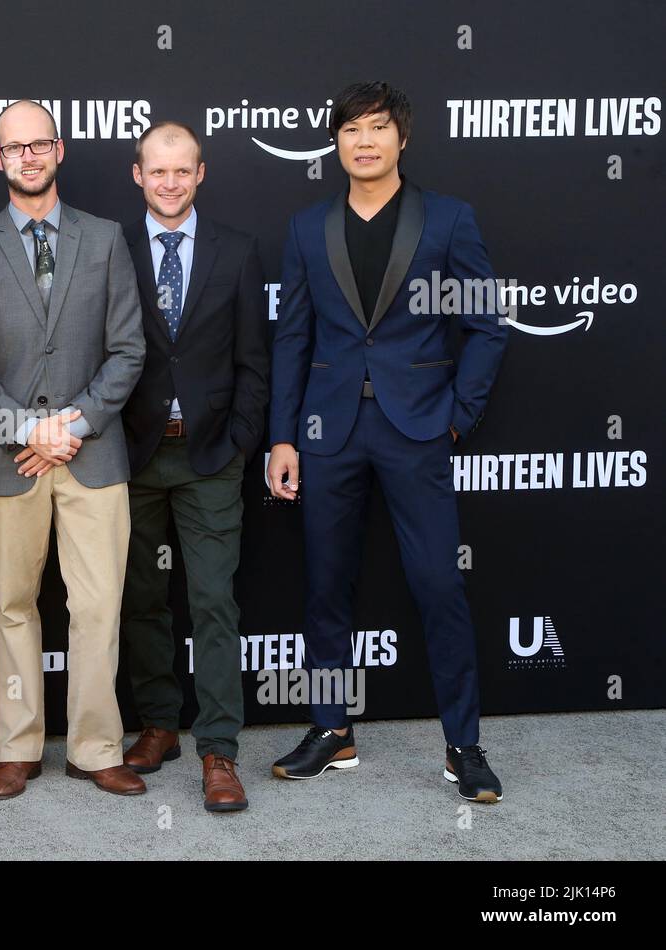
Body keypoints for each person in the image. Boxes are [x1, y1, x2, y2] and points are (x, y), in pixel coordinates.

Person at [267, 81, 508, 802]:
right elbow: (293, 338)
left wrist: (457, 414)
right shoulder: (309, 228)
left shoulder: (448, 220)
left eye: (377, 128)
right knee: (325, 588)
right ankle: (332, 729)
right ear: (334, 142)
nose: (363, 141)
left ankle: (463, 744)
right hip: (327, 431)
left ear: (403, 139)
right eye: (350, 129)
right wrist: (283, 437)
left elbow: (487, 326)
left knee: (438, 584)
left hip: (418, 428)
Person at [0, 100, 147, 799]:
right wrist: (28, 429)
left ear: (59, 151)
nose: (29, 157)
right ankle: (18, 745)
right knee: (14, 604)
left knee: (98, 607)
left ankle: (97, 748)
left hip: (92, 456)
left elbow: (129, 350)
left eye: (40, 144)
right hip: (9, 460)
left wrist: (71, 426)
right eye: (16, 147)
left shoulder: (104, 239)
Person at [119, 121, 269, 812]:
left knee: (212, 599)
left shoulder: (237, 251)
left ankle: (218, 749)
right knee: (142, 599)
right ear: (138, 174)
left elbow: (253, 360)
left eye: (183, 171)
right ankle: (157, 725)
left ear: (201, 173)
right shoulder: (112, 249)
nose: (171, 182)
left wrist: (240, 439)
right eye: (159, 171)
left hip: (210, 456)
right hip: (134, 454)